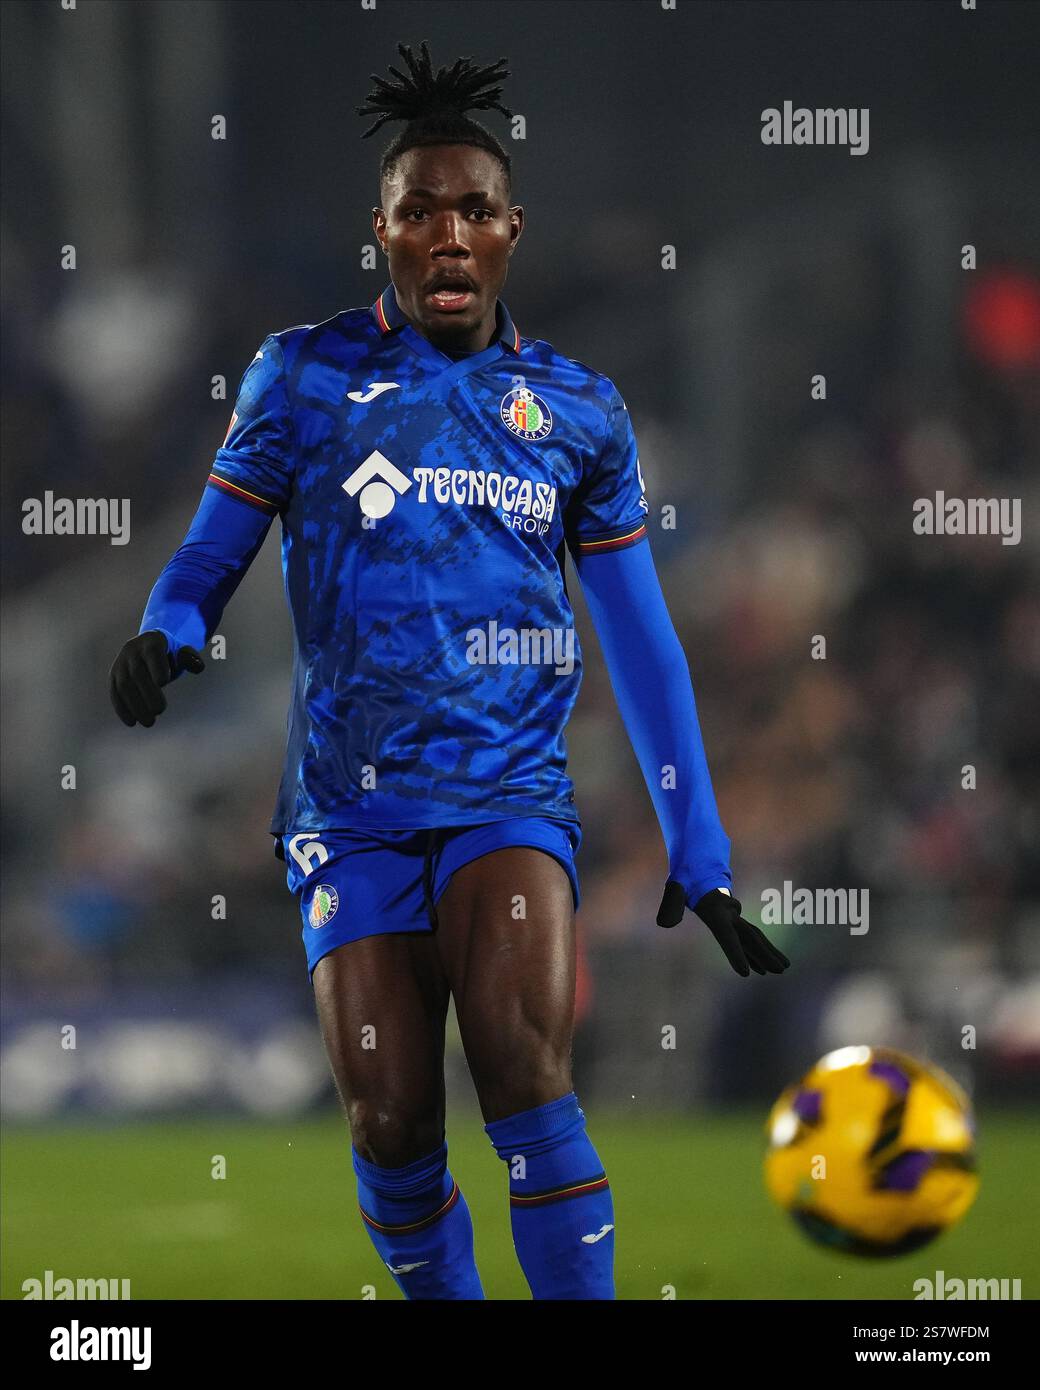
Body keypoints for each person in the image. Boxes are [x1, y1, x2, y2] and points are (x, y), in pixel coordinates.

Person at [109, 41, 788, 1301]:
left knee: (527, 1074)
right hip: (347, 811)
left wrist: (700, 850)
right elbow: (210, 555)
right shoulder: (303, 374)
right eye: (419, 209)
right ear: (382, 230)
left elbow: (640, 639)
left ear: (511, 229)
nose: (448, 234)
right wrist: (170, 628)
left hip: (508, 796)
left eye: (473, 208)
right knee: (389, 1127)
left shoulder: (575, 411)